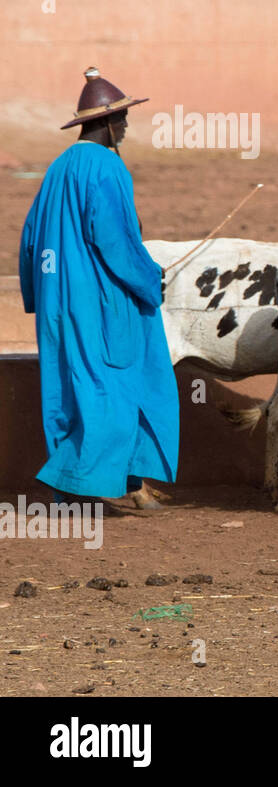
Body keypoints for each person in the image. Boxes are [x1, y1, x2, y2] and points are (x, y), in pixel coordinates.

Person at [19, 68, 178, 506]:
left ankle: (127, 483)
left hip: (58, 303)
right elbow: (115, 240)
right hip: (101, 304)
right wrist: (150, 279)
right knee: (117, 388)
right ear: (106, 123)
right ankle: (74, 481)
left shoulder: (57, 167)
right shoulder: (106, 166)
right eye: (122, 119)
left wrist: (38, 296)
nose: (126, 127)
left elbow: (30, 238)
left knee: (72, 391)